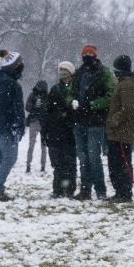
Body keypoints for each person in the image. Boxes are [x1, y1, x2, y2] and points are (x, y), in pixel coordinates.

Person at [69, 46, 115, 201]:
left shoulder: (104, 73)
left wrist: (94, 104)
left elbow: (110, 95)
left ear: (95, 56)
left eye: (90, 54)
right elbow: (71, 92)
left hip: (96, 122)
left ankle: (100, 190)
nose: (87, 56)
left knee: (94, 157)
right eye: (85, 54)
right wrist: (72, 101)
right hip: (80, 120)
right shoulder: (78, 73)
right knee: (82, 158)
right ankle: (85, 189)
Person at [0, 51, 26, 201]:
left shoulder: (1, 80)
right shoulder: (8, 82)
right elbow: (8, 107)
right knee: (9, 158)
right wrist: (15, 124)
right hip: (6, 127)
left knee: (0, 158)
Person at [105, 54, 134, 202]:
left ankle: (124, 193)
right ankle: (120, 192)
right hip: (119, 132)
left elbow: (127, 108)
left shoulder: (127, 84)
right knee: (117, 163)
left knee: (121, 163)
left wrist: (113, 120)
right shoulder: (125, 83)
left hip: (122, 132)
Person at [41, 66, 79, 198]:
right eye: (61, 71)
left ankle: (68, 189)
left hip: (69, 133)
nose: (63, 73)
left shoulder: (75, 89)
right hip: (55, 132)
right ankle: (58, 189)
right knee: (58, 164)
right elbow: (47, 111)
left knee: (69, 163)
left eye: (65, 71)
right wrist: (45, 131)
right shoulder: (55, 89)